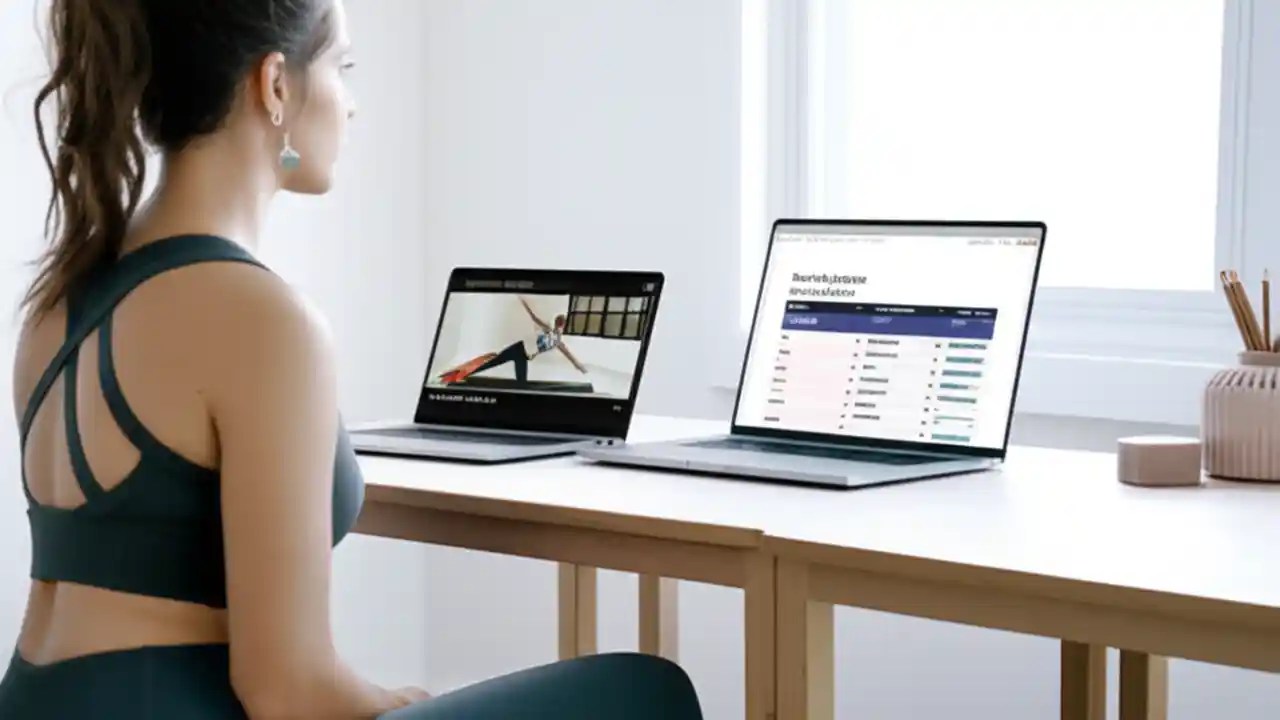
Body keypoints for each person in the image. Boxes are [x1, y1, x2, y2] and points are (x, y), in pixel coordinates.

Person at [0, 2, 702, 719]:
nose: (352, 104)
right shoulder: (260, 320)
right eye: (343, 68)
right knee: (646, 690)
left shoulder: (57, 305)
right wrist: (401, 703)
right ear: (274, 86)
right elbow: (287, 691)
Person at [439, 297, 587, 386]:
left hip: (524, 356)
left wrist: (578, 366)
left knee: (521, 382)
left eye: (561, 325)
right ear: (558, 324)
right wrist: (524, 305)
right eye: (560, 324)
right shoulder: (548, 329)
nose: (560, 327)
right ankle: (455, 375)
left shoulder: (558, 342)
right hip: (518, 348)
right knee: (493, 362)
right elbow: (535, 318)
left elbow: (569, 355)